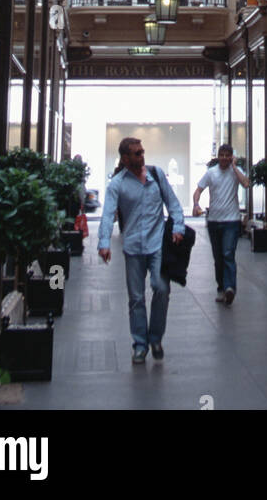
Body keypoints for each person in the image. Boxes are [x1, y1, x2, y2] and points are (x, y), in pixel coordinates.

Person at [98, 137, 185, 364]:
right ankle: (140, 344)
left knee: (161, 288)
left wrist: (178, 226)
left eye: (142, 152)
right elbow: (108, 214)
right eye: (136, 153)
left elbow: (173, 204)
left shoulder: (156, 175)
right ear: (125, 158)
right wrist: (104, 242)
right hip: (133, 247)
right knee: (136, 299)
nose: (141, 156)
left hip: (157, 244)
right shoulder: (117, 183)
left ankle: (155, 337)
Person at [193, 144, 249, 306]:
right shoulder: (211, 173)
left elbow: (246, 183)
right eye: (222, 155)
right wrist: (196, 204)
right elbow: (198, 190)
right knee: (218, 258)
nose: (224, 158)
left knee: (227, 254)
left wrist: (235, 167)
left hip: (231, 221)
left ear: (231, 157)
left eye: (227, 155)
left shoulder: (235, 172)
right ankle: (222, 288)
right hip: (214, 221)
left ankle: (230, 287)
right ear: (217, 156)